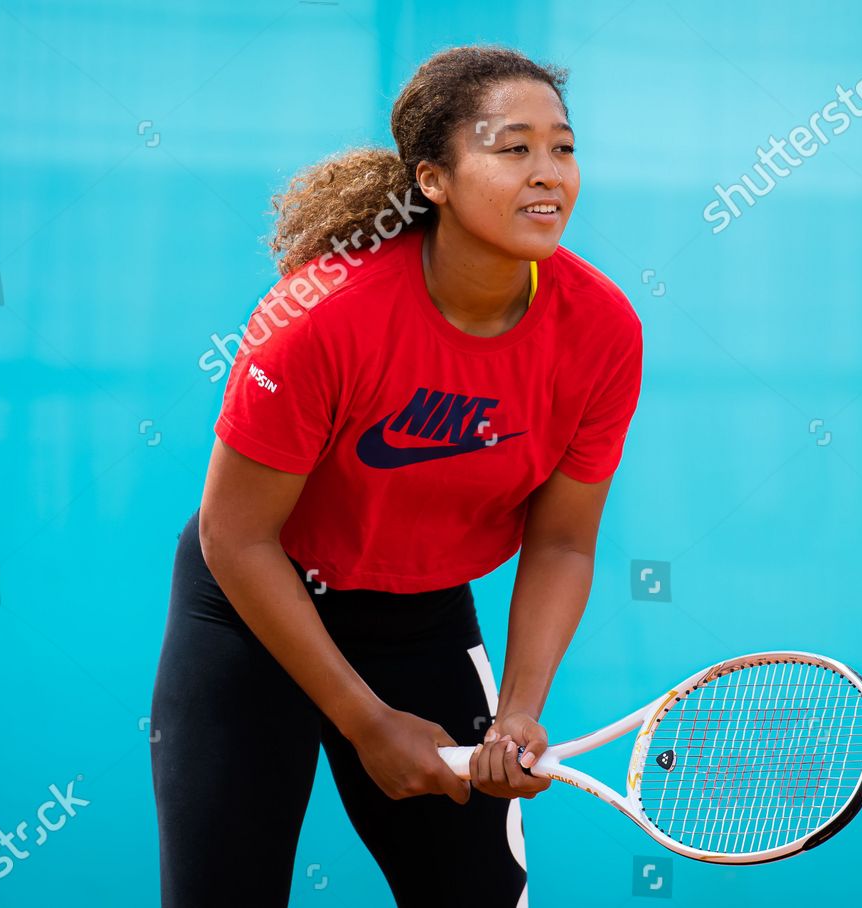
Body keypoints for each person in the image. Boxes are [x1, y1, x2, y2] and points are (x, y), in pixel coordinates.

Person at [150, 44, 643, 907]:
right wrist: (365, 720)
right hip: (252, 608)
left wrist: (517, 714)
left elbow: (563, 543)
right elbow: (237, 533)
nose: (548, 173)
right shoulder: (320, 317)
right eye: (513, 148)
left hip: (421, 619)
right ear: (433, 179)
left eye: (563, 148)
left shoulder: (603, 331)